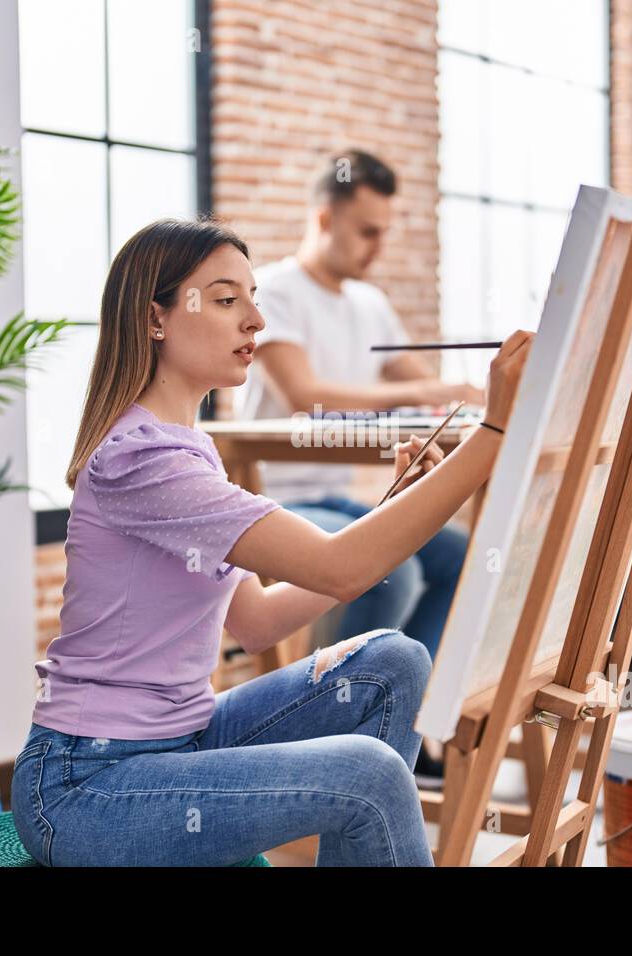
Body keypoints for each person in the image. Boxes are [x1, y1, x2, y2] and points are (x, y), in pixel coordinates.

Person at [10, 216, 532, 866]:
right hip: (85, 786)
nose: (256, 319)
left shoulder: (190, 450)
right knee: (367, 774)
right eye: (227, 299)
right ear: (155, 318)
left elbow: (255, 622)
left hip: (183, 740)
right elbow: (339, 570)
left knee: (394, 664)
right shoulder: (140, 461)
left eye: (253, 297)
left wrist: (391, 506)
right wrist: (496, 432)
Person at [233, 152, 482, 778]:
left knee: (460, 560)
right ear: (325, 217)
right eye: (368, 230)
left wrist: (474, 395)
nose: (379, 245)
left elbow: (426, 386)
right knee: (387, 573)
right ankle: (341, 742)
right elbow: (307, 396)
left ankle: (401, 725)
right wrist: (420, 394)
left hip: (339, 500)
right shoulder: (276, 292)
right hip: (274, 499)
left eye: (385, 230)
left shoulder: (370, 305)